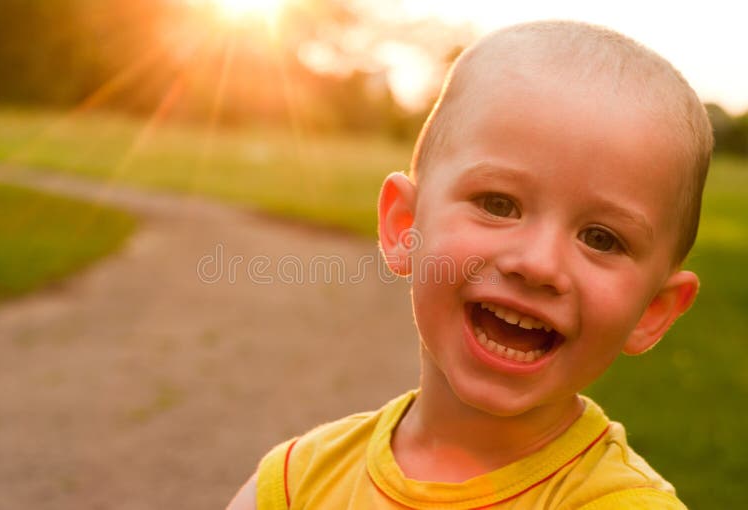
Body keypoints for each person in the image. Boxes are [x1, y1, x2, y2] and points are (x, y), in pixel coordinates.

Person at [228, 20, 712, 509]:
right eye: (499, 205)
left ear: (653, 309)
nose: (538, 264)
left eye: (601, 239)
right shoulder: (295, 483)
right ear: (405, 226)